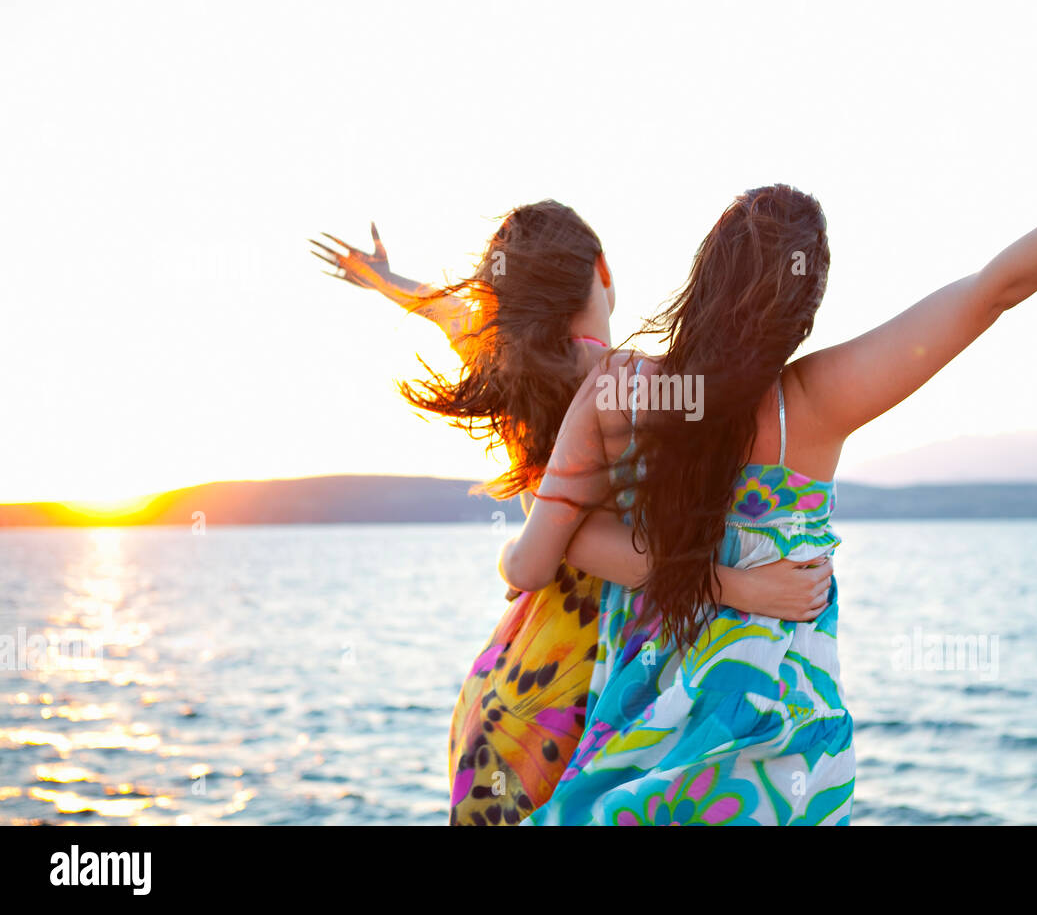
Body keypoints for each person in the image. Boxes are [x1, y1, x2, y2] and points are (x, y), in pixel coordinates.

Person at [499, 86, 1037, 825]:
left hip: (645, 752)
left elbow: (555, 542)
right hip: (782, 761)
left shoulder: (624, 392)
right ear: (801, 311)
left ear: (704, 278)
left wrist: (712, 581)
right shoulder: (812, 403)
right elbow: (999, 287)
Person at [311, 201, 833, 825]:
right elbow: (586, 544)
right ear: (603, 270)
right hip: (589, 683)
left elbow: (444, 309)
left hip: (515, 675)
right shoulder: (629, 384)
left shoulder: (510, 369)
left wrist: (383, 279)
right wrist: (739, 585)